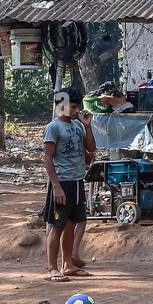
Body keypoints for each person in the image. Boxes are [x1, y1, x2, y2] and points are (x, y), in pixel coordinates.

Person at [43, 87, 95, 282]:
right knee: (57, 225)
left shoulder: (78, 126)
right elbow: (48, 159)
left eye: (77, 106)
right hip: (62, 183)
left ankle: (68, 265)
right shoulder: (53, 128)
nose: (76, 110)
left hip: (77, 181)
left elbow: (91, 149)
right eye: (73, 107)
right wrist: (56, 186)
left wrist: (88, 126)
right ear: (62, 106)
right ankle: (51, 268)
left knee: (71, 225)